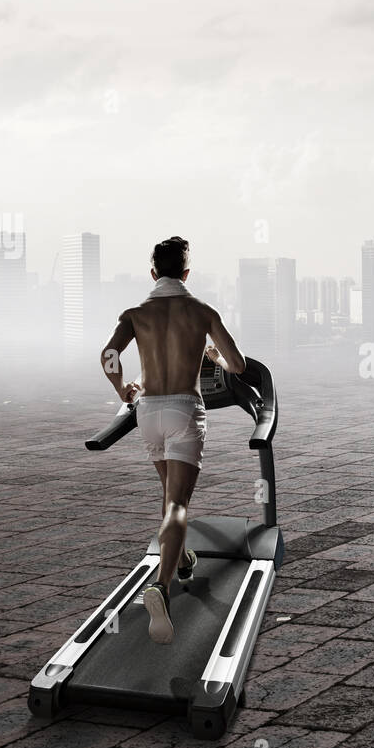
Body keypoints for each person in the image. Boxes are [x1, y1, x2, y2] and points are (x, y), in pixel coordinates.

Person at [99, 236, 247, 644]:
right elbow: (238, 364)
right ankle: (161, 587)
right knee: (178, 505)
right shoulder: (201, 311)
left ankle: (182, 560)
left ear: (153, 274)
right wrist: (211, 355)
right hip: (184, 408)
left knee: (168, 500)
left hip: (148, 411)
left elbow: (109, 355)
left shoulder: (135, 313)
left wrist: (122, 390)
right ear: (186, 273)